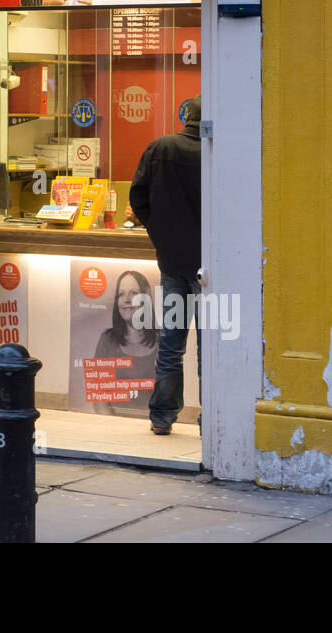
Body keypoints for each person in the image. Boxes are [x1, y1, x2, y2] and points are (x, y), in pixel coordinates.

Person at [129, 93, 202, 436]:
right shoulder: (217, 152)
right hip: (209, 268)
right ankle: (211, 418)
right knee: (210, 344)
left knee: (171, 342)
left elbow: (137, 197)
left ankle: (162, 416)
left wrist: (158, 232)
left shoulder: (159, 148)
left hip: (172, 263)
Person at [91, 270, 158, 416]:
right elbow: (99, 398)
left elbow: (168, 397)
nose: (126, 299)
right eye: (121, 294)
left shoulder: (162, 341)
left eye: (134, 293)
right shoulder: (107, 340)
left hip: (154, 427)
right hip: (114, 428)